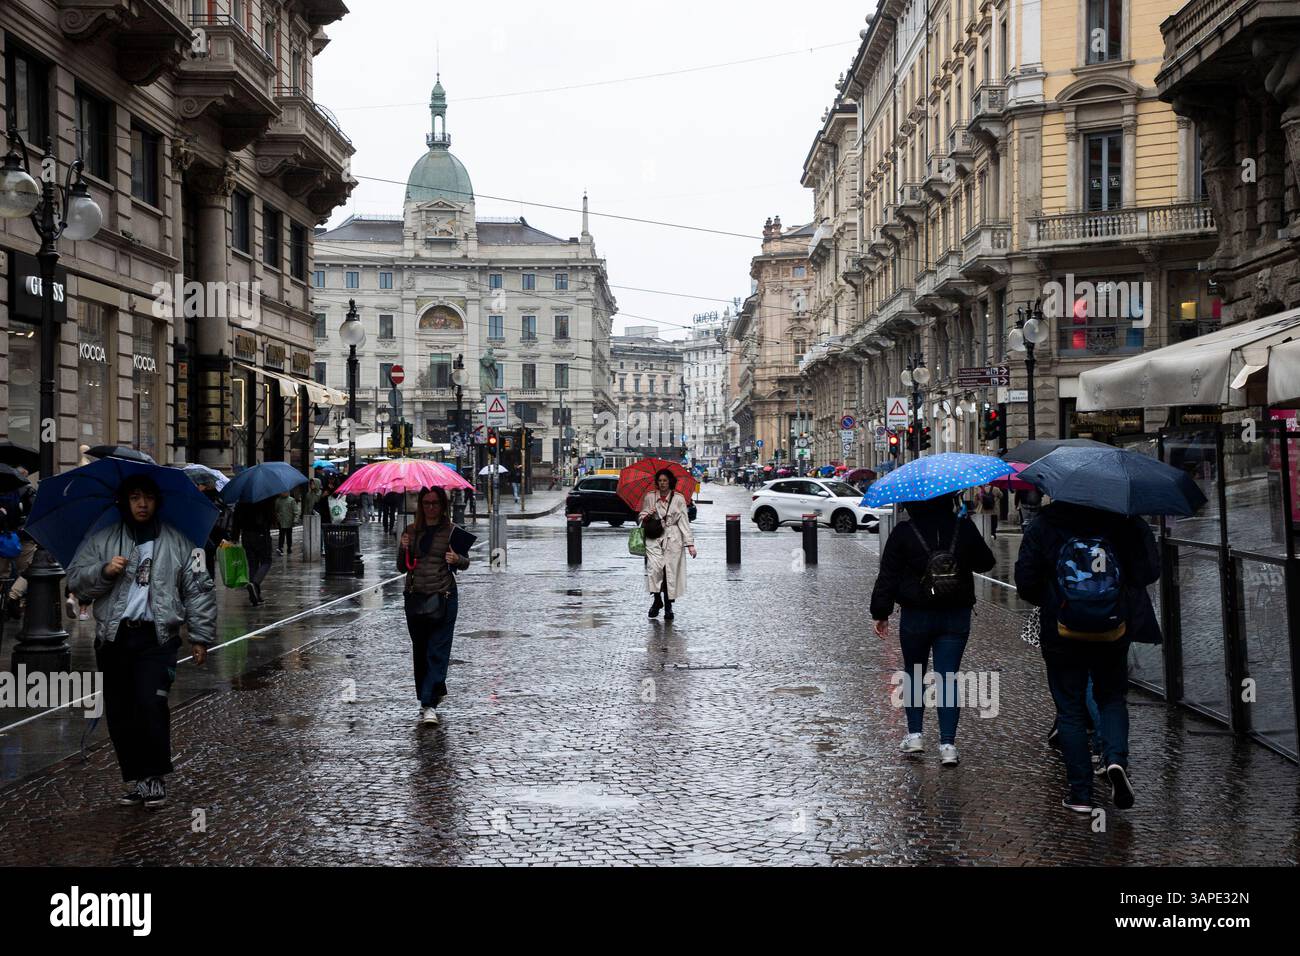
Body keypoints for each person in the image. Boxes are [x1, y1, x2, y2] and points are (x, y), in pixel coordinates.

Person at [65, 474, 216, 810]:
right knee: (121, 713)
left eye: (147, 497)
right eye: (135, 497)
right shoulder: (102, 540)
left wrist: (200, 636)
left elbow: (199, 589)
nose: (142, 504)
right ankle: (136, 779)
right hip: (114, 639)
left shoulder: (180, 542)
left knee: (151, 703)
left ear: (157, 501)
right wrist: (103, 571)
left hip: (157, 638)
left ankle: (153, 777)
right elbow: (76, 582)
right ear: (125, 502)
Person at [1015, 501, 1160, 814]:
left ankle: (1080, 794)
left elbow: (1025, 582)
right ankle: (1115, 760)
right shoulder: (1125, 520)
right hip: (1112, 629)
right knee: (1111, 698)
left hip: (1062, 630)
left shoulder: (1045, 522)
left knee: (1069, 709)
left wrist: (1057, 600)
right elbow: (1149, 571)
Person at [870, 493, 996, 766]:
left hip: (916, 614)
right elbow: (986, 562)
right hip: (955, 613)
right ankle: (948, 745)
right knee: (948, 677)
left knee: (914, 673)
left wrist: (881, 613)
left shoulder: (904, 531)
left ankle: (915, 735)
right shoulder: (962, 527)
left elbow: (888, 574)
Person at [398, 486, 470, 726]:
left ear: (443, 506)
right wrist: (403, 546)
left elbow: (465, 562)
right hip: (416, 597)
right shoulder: (410, 531)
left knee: (437, 651)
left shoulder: (451, 533)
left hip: (444, 597)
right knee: (420, 651)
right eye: (426, 503)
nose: (430, 507)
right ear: (420, 505)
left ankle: (428, 704)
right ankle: (431, 694)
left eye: (435, 503)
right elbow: (402, 567)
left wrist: (456, 559)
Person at [637, 469, 696, 622]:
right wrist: (647, 514)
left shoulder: (679, 499)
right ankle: (657, 600)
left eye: (665, 480)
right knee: (654, 570)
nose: (662, 483)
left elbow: (684, 521)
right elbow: (641, 516)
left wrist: (690, 544)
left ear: (670, 481)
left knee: (669, 573)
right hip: (654, 537)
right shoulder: (650, 497)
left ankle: (669, 607)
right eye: (660, 481)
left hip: (673, 538)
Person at [230, 498, 275, 606]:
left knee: (252, 564)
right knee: (266, 561)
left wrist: (234, 536)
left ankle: (255, 596)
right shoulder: (266, 498)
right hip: (261, 535)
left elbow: (236, 519)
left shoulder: (242, 501)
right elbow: (270, 519)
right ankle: (254, 584)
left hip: (246, 536)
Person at [274, 491, 299, 556]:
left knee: (289, 536)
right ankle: (280, 547)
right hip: (281, 521)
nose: (284, 493)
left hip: (289, 521)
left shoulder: (291, 500)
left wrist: (295, 520)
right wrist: (277, 519)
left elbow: (296, 511)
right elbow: (276, 510)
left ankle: (289, 547)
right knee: (281, 535)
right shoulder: (278, 500)